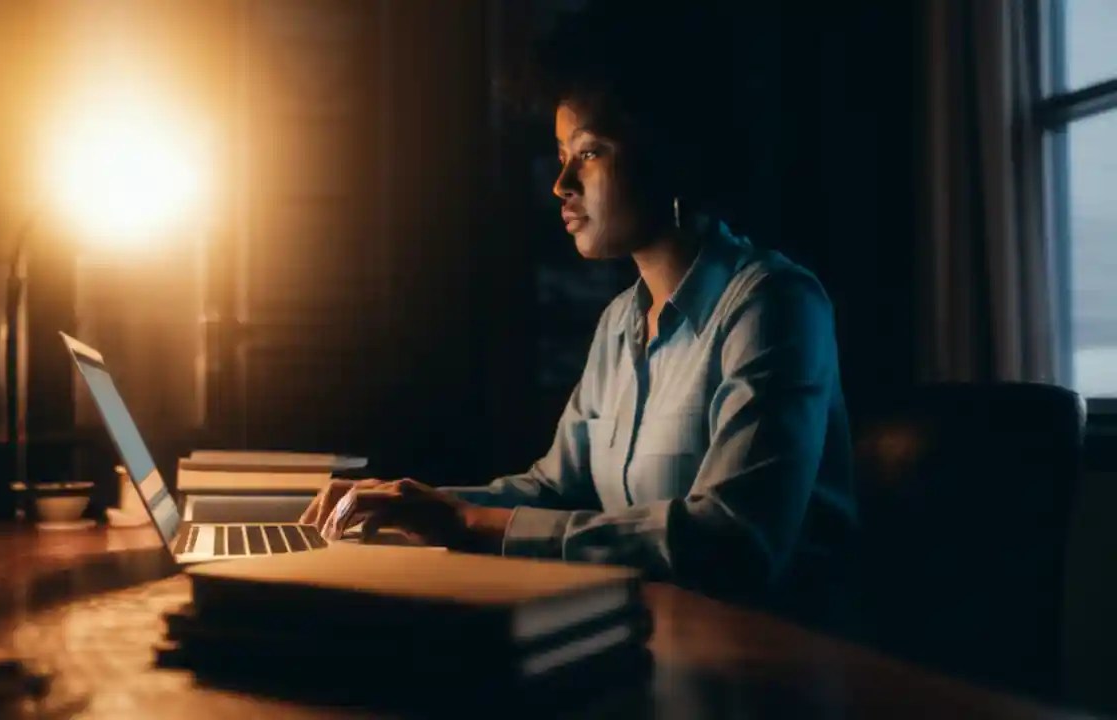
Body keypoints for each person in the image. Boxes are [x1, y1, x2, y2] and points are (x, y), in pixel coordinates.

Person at [301, 3, 856, 622]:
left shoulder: (774, 306)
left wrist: (470, 523)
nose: (561, 182)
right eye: (561, 152)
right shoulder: (621, 323)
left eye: (589, 154)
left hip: (779, 666)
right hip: (653, 637)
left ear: (668, 155)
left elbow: (733, 541)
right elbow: (556, 487)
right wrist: (410, 504)